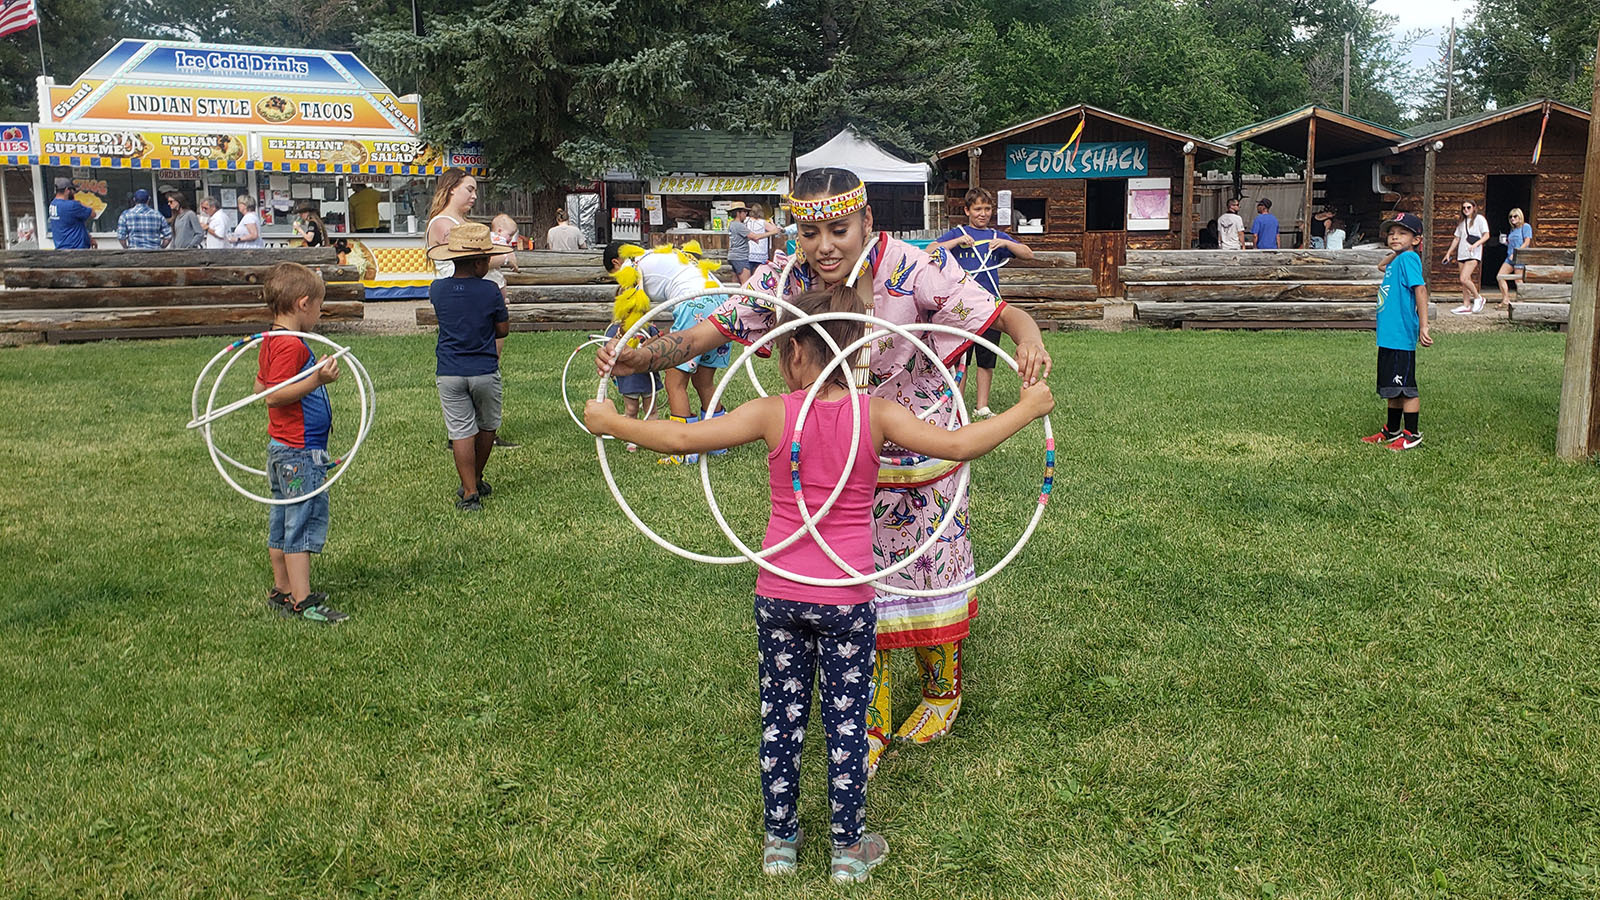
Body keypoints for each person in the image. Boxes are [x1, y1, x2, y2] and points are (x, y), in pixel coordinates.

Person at [585, 284, 1055, 882]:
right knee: (845, 722)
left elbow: (681, 438)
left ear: (796, 355)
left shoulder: (772, 411)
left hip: (779, 594)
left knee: (781, 719)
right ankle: (847, 850)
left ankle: (780, 844)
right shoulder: (877, 413)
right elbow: (961, 445)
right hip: (848, 601)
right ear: (855, 349)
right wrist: (1028, 410)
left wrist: (610, 423)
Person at [600, 167, 1054, 775]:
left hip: (916, 438)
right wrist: (638, 356)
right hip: (832, 456)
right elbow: (708, 331)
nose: (825, 246)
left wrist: (1028, 338)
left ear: (867, 221)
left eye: (839, 229)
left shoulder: (908, 267)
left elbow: (999, 315)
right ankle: (869, 716)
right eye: (810, 231)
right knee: (856, 582)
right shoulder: (784, 279)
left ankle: (943, 689)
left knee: (930, 566)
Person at [257, 262, 350, 625]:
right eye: (319, 307)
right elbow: (273, 397)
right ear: (303, 303)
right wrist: (317, 379)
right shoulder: (292, 345)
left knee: (282, 517)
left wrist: (308, 375)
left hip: (283, 449)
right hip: (299, 451)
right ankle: (302, 599)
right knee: (301, 520)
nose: (319, 315)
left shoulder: (271, 340)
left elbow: (260, 387)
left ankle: (282, 588)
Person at [604, 238, 732, 464]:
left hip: (694, 303)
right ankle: (718, 443)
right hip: (722, 302)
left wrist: (620, 341)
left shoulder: (631, 267)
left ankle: (684, 450)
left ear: (616, 262)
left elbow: (633, 315)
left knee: (675, 381)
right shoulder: (660, 256)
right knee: (704, 380)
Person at [427, 223, 513, 510]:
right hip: (484, 369)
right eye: (487, 259)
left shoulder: (437, 289)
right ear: (479, 262)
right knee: (487, 425)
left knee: (461, 431)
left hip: (449, 370)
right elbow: (502, 330)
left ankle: (469, 491)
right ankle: (476, 476)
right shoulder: (490, 290)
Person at [931, 187, 1036, 418]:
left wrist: (1007, 245)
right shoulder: (958, 233)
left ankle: (982, 406)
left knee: (986, 359)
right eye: (978, 209)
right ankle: (956, 406)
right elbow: (930, 250)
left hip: (989, 308)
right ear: (967, 210)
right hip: (961, 308)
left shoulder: (997, 237)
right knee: (960, 359)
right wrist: (958, 241)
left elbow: (1028, 253)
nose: (983, 213)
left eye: (987, 209)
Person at [1363, 212, 1432, 452]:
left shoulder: (1409, 260)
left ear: (1416, 239)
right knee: (1393, 387)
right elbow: (1380, 265)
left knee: (1406, 387)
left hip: (1401, 334)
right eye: (1391, 233)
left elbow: (1421, 291)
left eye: (1402, 233)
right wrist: (1399, 248)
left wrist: (1424, 325)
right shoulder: (1398, 260)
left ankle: (1412, 434)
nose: (1395, 237)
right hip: (1389, 336)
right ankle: (1392, 430)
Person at [425, 169, 477, 279]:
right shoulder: (442, 223)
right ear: (452, 188)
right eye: (469, 190)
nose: (474, 196)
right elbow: (471, 259)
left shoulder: (463, 221)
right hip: (455, 291)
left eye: (475, 191)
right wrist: (505, 257)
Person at [1443, 200, 1491, 315]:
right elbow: (1456, 238)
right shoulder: (1462, 222)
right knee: (1465, 281)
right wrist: (1449, 252)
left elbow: (1487, 235)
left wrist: (1476, 244)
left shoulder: (1479, 219)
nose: (1466, 210)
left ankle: (1478, 297)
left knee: (1463, 278)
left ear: (1474, 208)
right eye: (1464, 208)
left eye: (1468, 207)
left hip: (1473, 254)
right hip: (1462, 253)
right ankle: (1466, 304)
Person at [1496, 208, 1534, 307]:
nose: (1512, 218)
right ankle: (1506, 299)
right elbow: (1512, 243)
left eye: (1515, 216)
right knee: (1500, 276)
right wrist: (1505, 242)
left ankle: (1521, 301)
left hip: (1519, 257)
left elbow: (1527, 242)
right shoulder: (1512, 229)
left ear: (1520, 216)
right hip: (1510, 256)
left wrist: (1517, 252)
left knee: (1518, 279)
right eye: (1511, 217)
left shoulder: (1525, 227)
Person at [48, 177, 95, 250]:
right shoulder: (73, 205)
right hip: (76, 249)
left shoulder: (53, 204)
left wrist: (89, 238)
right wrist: (79, 202)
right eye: (73, 190)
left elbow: (74, 224)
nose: (74, 193)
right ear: (67, 190)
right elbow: (93, 213)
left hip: (61, 248)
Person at [726, 202, 756, 283]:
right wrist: (773, 232)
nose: (746, 214)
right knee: (746, 284)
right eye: (744, 212)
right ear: (738, 213)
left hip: (733, 256)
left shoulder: (732, 224)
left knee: (735, 284)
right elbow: (754, 236)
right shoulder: (739, 225)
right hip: (740, 257)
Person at [745, 202, 780, 268]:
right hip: (761, 253)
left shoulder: (746, 220)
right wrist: (772, 222)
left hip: (748, 253)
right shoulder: (762, 222)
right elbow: (776, 230)